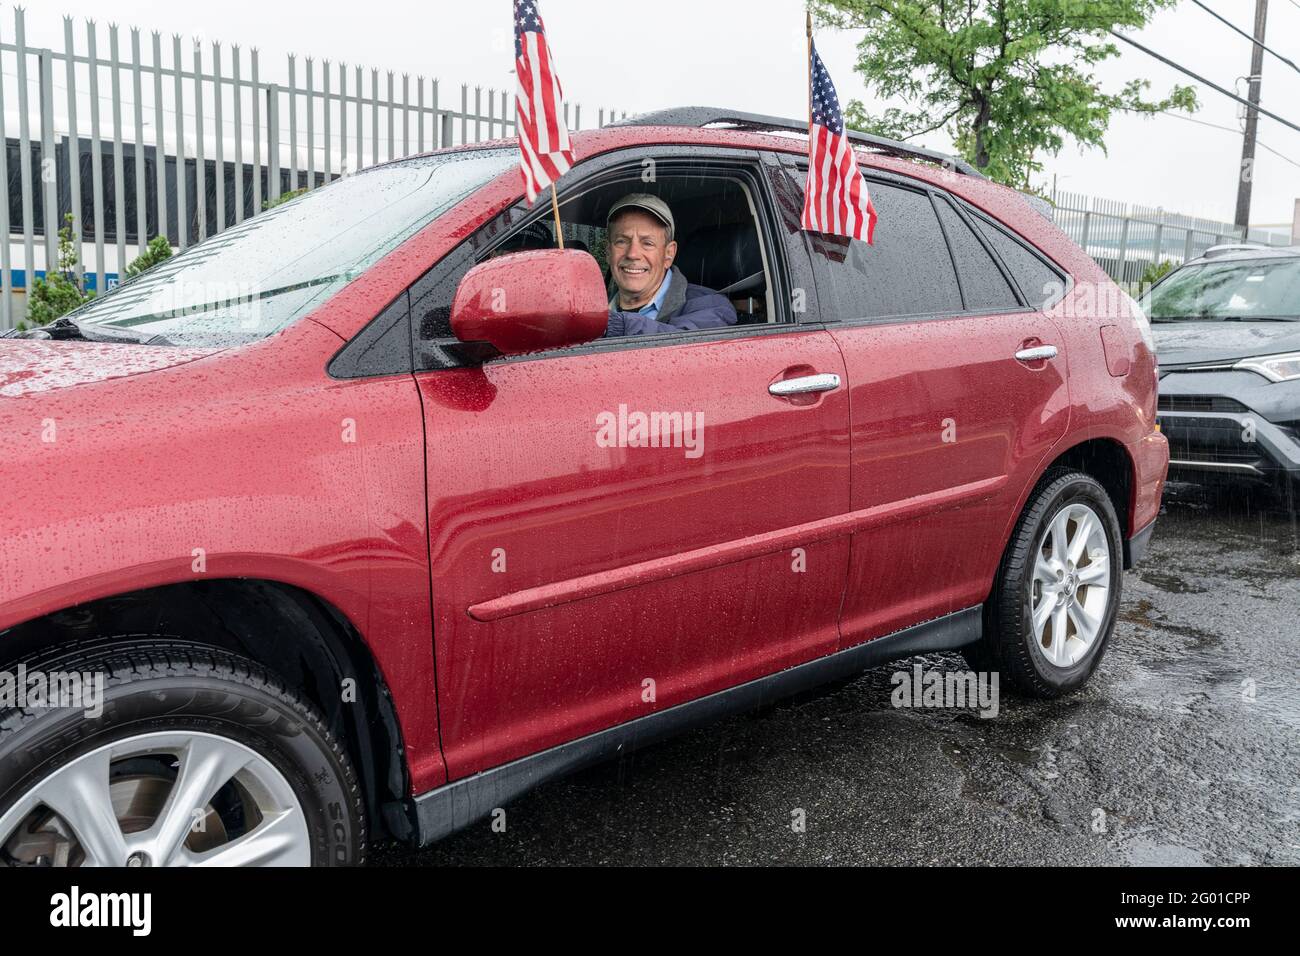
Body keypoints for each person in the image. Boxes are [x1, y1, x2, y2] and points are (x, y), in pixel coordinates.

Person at [603, 193, 737, 336]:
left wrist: (611, 325)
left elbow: (684, 343)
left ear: (669, 254)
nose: (633, 254)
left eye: (647, 243)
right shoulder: (595, 306)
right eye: (621, 241)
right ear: (608, 252)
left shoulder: (712, 306)